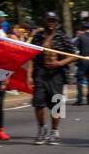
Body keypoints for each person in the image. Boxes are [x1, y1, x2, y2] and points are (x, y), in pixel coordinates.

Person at [27, 13, 75, 145]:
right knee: (38, 103)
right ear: (44, 21)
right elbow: (31, 56)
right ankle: (42, 129)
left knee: (57, 104)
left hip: (57, 74)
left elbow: (74, 55)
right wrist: (29, 75)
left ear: (57, 22)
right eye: (49, 20)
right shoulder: (38, 37)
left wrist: (60, 63)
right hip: (40, 73)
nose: (51, 23)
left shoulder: (62, 37)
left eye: (53, 20)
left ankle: (54, 131)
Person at [72, 22, 89, 105]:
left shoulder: (80, 37)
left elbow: (74, 47)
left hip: (83, 60)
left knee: (79, 80)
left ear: (83, 28)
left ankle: (80, 99)